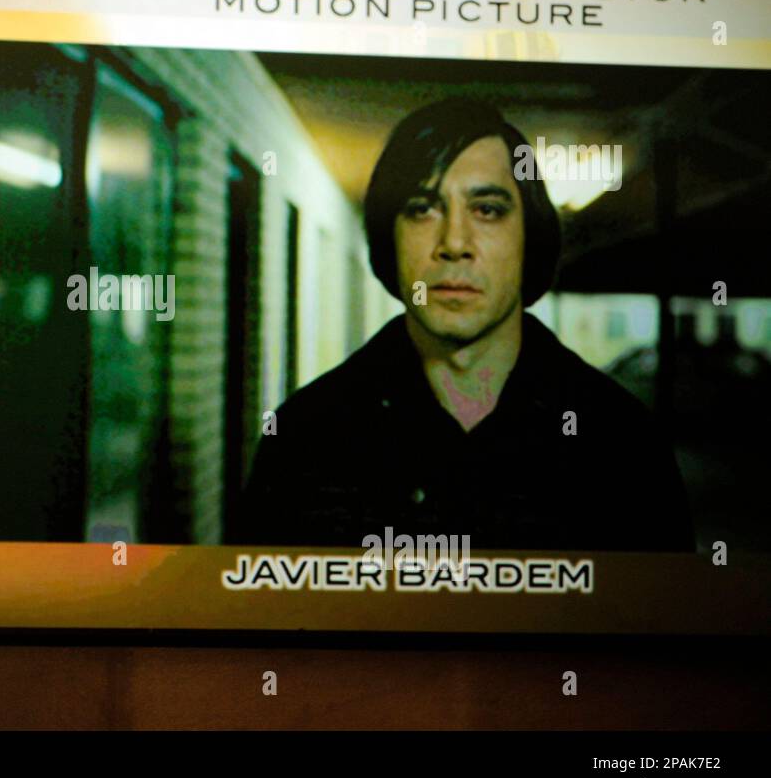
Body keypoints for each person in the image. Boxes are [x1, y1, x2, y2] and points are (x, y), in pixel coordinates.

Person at [227, 99, 693, 552]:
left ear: (530, 238)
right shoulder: (305, 439)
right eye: (422, 209)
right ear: (389, 237)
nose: (454, 242)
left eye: (487, 210)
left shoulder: (622, 443)